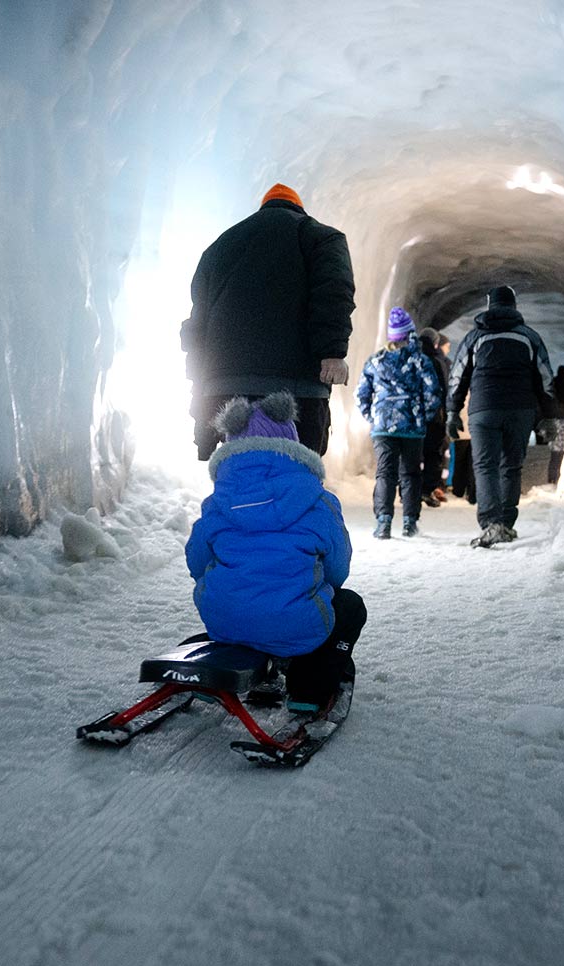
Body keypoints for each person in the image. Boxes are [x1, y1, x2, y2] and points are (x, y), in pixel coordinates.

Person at [185, 392, 366, 711]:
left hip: (225, 621)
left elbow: (197, 562)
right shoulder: (318, 501)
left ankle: (223, 663)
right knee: (350, 605)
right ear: (294, 447)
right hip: (298, 625)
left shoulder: (216, 504)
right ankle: (310, 685)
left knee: (236, 601)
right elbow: (338, 570)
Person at [179, 183, 356, 460]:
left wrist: (200, 399)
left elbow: (198, 323)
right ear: (299, 208)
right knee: (296, 475)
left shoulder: (220, 246)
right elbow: (333, 292)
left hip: (226, 389)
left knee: (240, 475)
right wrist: (332, 351)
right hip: (297, 388)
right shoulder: (320, 237)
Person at [446, 285, 555, 547]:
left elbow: (457, 377)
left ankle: (491, 523)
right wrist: (548, 415)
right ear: (514, 306)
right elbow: (545, 379)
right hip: (520, 410)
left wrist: (452, 411)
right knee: (511, 466)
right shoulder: (530, 337)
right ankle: (506, 523)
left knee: (485, 467)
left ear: (489, 305)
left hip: (484, 409)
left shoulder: (474, 337)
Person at [355, 308, 441, 539]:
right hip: (412, 427)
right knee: (411, 474)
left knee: (385, 473)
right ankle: (409, 522)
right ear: (408, 334)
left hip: (383, 428)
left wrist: (373, 417)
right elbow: (433, 392)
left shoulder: (376, 361)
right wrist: (425, 416)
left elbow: (361, 394)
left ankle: (383, 521)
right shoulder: (419, 360)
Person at [418, 328, 452, 507]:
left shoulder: (410, 358)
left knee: (412, 456)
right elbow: (444, 390)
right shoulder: (439, 362)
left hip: (411, 418)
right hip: (433, 419)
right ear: (435, 343)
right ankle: (426, 489)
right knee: (433, 455)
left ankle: (408, 491)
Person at [546, 365, 564, 483]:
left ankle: (552, 478)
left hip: (555, 416)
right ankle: (559, 477)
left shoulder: (554, 382)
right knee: (563, 450)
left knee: (554, 453)